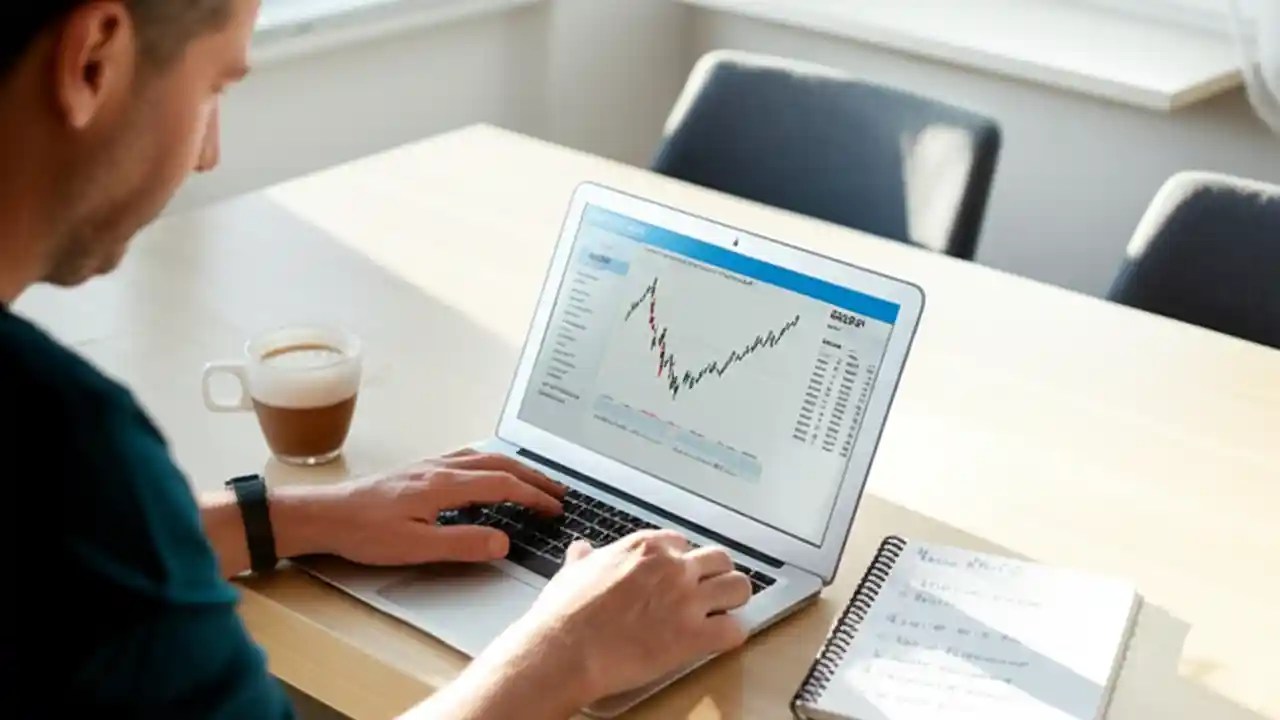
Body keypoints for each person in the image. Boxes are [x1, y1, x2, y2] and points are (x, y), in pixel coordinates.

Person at [0, 2, 752, 717]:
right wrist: (563, 652)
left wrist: (295, 516)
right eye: (212, 89)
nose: (208, 153)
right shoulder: (67, 447)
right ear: (93, 59)